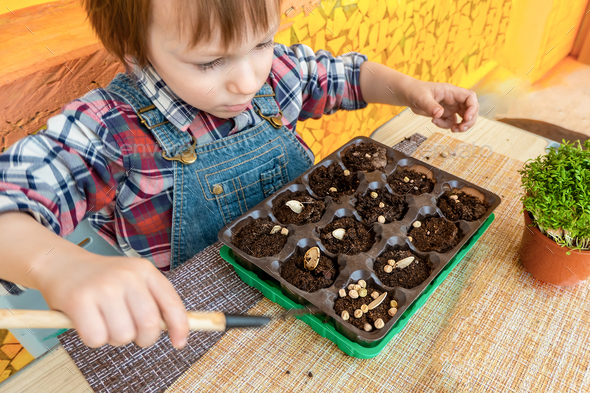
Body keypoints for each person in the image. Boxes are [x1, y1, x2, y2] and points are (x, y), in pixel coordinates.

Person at [0, 0, 478, 350]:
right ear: (133, 48)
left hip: (315, 290)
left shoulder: (276, 77)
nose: (248, 81)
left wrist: (411, 90)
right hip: (207, 318)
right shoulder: (109, 129)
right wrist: (60, 267)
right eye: (210, 61)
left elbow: (345, 76)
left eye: (262, 42)